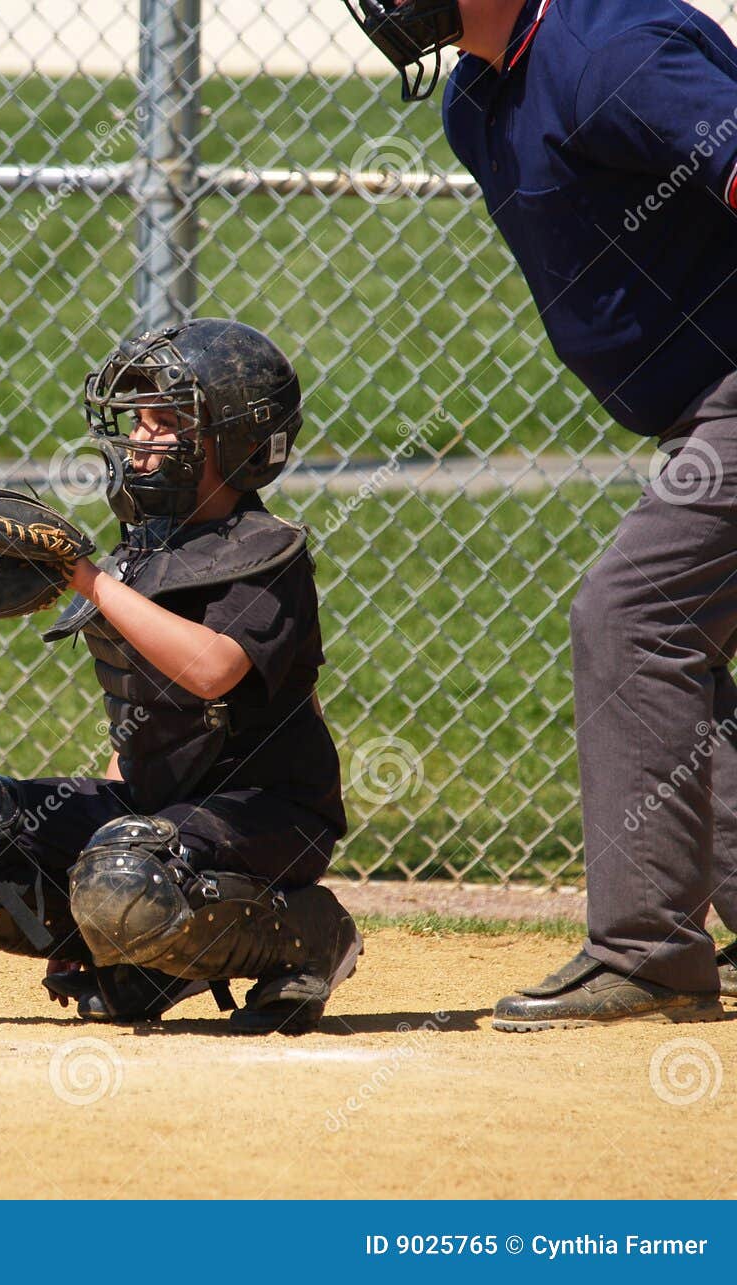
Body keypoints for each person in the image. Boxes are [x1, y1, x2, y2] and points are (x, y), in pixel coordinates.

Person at [343, 0, 737, 1027]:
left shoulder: (611, 53)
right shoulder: (478, 99)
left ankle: (646, 954)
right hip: (697, 412)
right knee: (678, 647)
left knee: (631, 618)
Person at [0, 318, 360, 1033]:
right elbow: (145, 717)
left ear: (230, 444)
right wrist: (87, 925)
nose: (138, 438)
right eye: (136, 420)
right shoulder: (140, 555)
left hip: (268, 816)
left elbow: (211, 672)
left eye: (164, 423)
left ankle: (310, 938)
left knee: (126, 869)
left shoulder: (266, 555)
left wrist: (89, 580)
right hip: (160, 813)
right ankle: (135, 959)